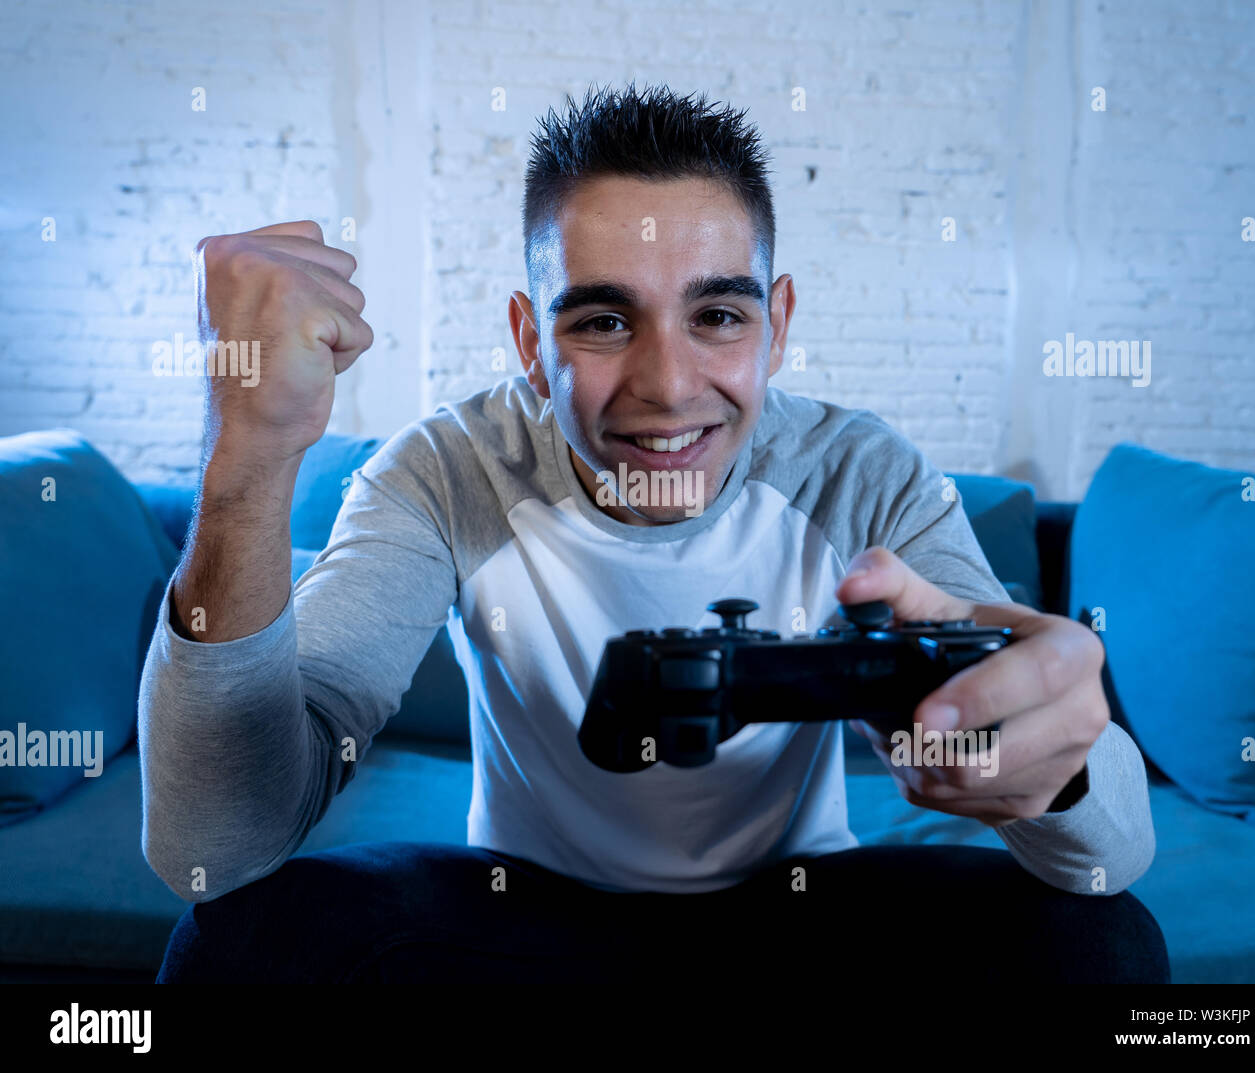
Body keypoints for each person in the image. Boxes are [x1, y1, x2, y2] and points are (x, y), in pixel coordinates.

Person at [142, 82, 1169, 984]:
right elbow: (212, 848)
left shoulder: (862, 473)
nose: (668, 387)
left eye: (717, 316)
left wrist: (1056, 761)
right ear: (528, 342)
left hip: (801, 912)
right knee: (245, 942)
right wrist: (250, 452)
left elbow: (1106, 858)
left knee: (1098, 943)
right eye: (600, 320)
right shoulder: (445, 470)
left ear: (777, 322)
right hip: (525, 922)